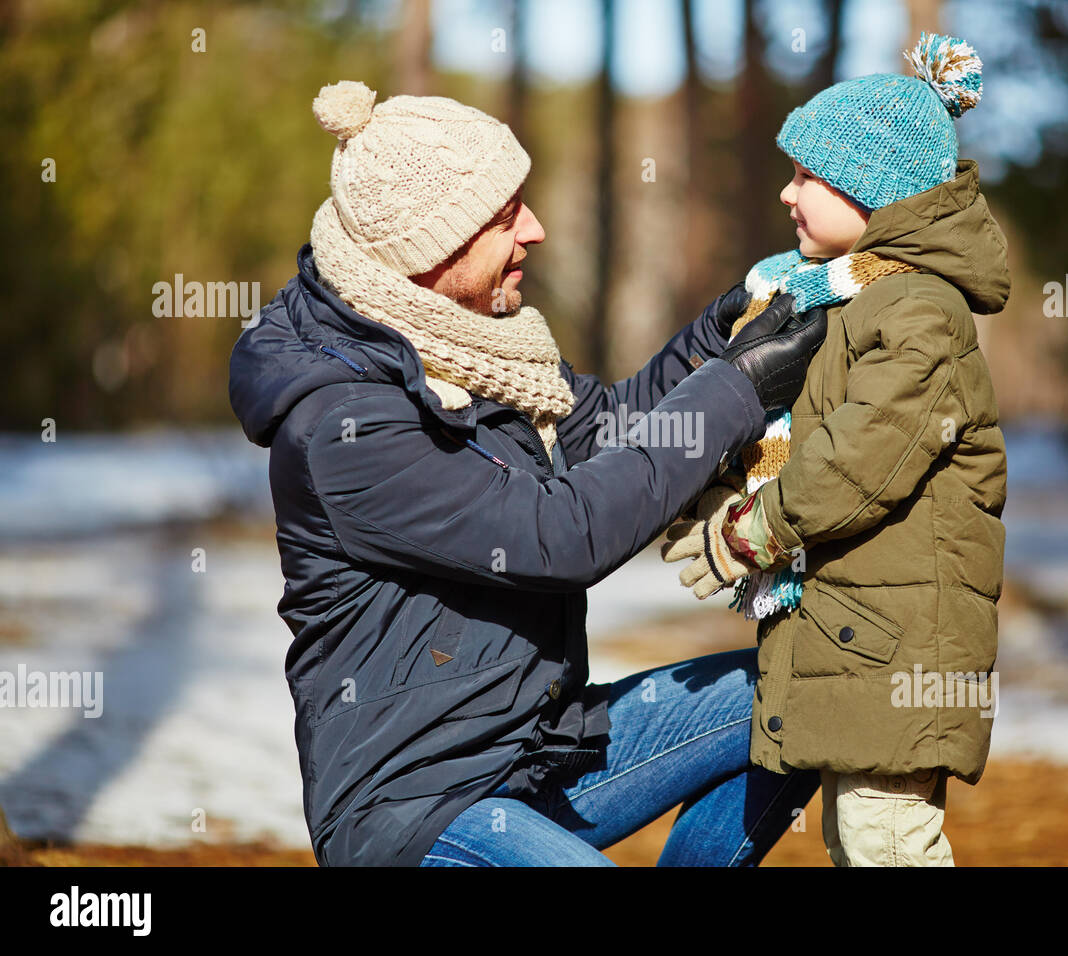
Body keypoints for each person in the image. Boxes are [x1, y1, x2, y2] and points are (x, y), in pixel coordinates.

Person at [227, 80, 827, 866]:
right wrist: (739, 390)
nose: (536, 231)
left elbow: (606, 430)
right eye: (507, 217)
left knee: (812, 695)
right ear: (431, 247)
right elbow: (558, 534)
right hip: (417, 810)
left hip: (541, 751)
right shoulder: (344, 424)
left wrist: (718, 338)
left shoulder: (471, 347)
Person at [661, 33, 1011, 866]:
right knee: (855, 841)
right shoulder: (838, 299)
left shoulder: (919, 310)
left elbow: (863, 457)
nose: (787, 194)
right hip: (858, 636)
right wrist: (714, 492)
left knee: (885, 840)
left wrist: (754, 533)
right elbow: (803, 424)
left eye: (807, 177)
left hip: (901, 650)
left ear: (874, 191)